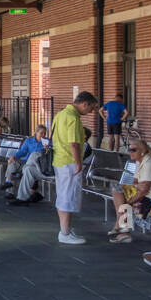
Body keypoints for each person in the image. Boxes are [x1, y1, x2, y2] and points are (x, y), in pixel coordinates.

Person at [51, 91, 100, 244]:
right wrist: (79, 162)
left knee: (63, 195)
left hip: (59, 160)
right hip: (69, 162)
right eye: (91, 108)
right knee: (68, 196)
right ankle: (65, 233)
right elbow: (74, 143)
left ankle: (65, 229)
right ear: (85, 104)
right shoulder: (73, 118)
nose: (91, 112)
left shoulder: (61, 114)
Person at [107, 140, 151, 243]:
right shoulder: (140, 161)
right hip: (147, 193)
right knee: (117, 189)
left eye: (133, 150)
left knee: (124, 203)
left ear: (142, 151)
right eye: (129, 149)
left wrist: (128, 203)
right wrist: (137, 186)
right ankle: (123, 229)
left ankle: (122, 229)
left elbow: (144, 190)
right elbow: (135, 182)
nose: (130, 152)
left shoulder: (149, 163)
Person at [3, 125, 48, 197]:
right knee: (12, 164)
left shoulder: (47, 142)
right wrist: (14, 156)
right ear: (36, 132)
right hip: (25, 161)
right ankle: (8, 186)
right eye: (41, 133)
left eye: (44, 133)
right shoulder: (29, 141)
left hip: (37, 165)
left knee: (28, 169)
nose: (43, 135)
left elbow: (49, 154)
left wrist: (47, 149)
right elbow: (23, 151)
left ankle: (30, 193)